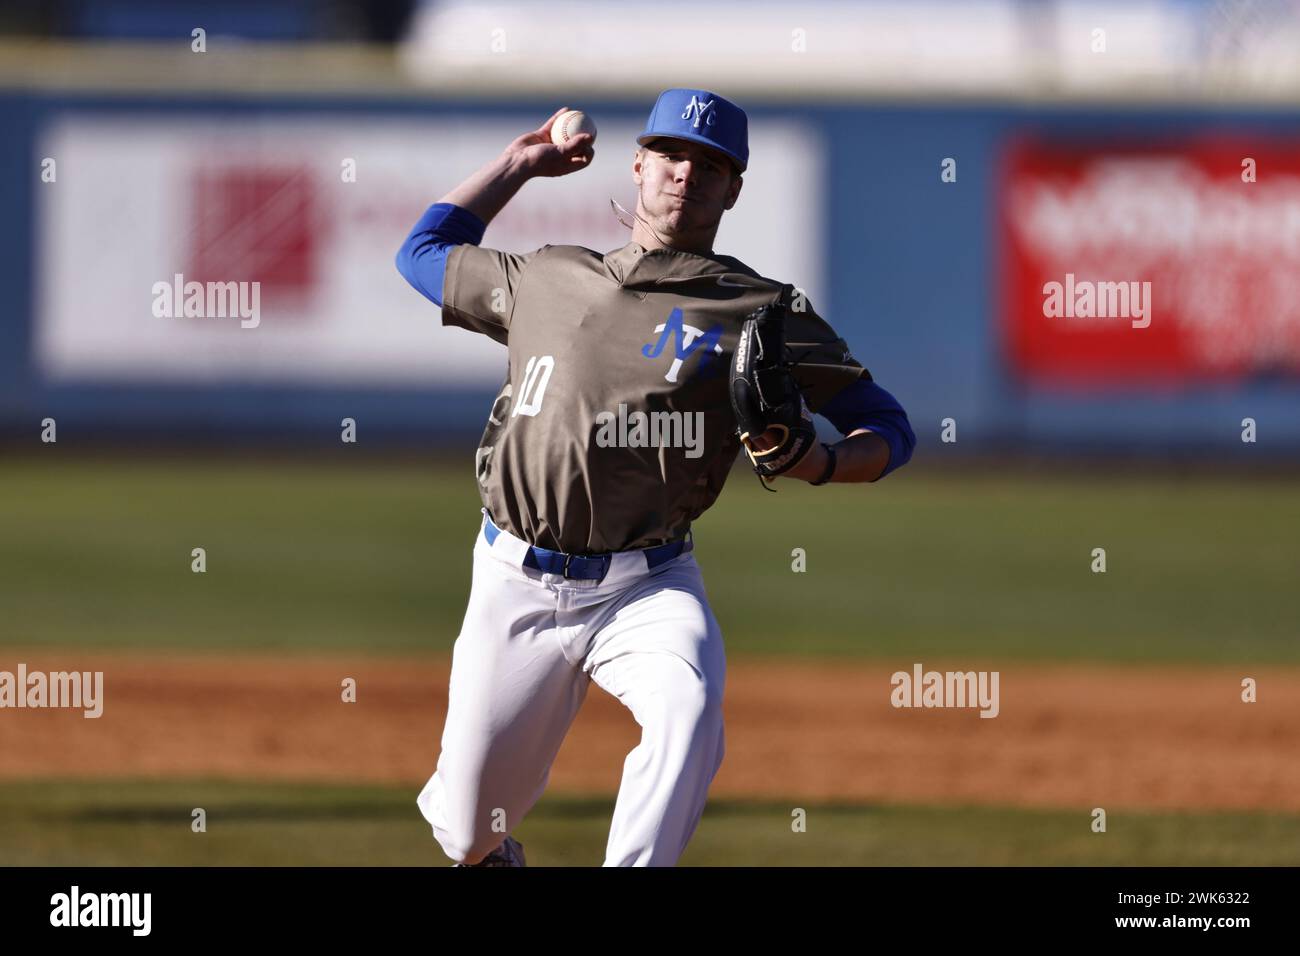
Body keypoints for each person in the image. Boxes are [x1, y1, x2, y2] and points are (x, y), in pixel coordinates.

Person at [395, 88, 915, 866]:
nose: (686, 175)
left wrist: (826, 462)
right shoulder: (547, 275)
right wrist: (520, 164)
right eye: (671, 155)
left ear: (733, 188)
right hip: (513, 578)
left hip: (647, 584)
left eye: (711, 165)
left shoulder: (761, 309)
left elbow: (891, 427)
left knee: (689, 708)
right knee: (467, 834)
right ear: (637, 165)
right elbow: (422, 252)